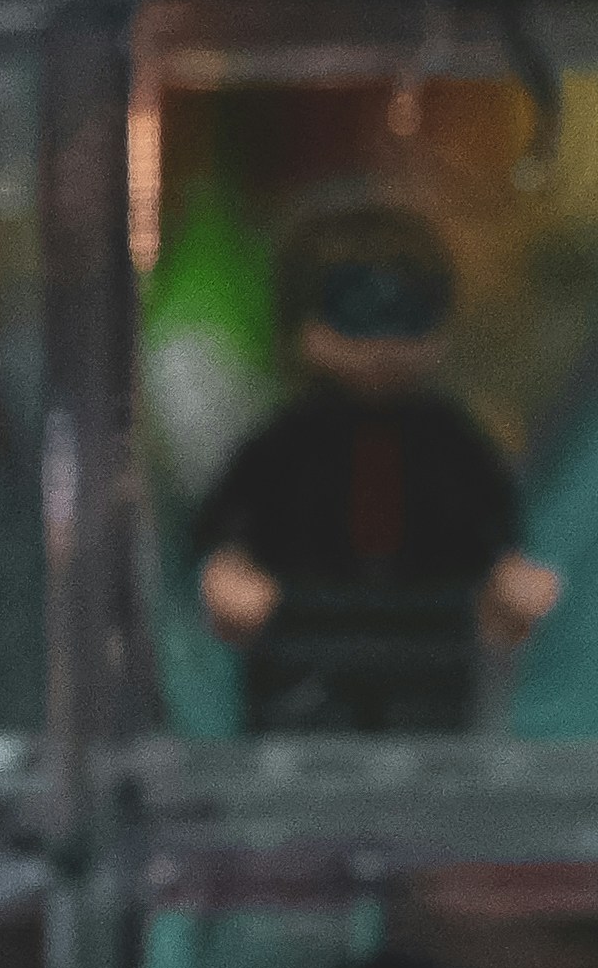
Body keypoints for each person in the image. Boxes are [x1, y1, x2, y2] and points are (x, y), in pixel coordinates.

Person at [188, 196, 558, 735]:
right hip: (306, 636)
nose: (383, 343)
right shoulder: (290, 440)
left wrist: (503, 575)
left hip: (430, 635)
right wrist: (227, 570)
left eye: (410, 314)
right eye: (355, 311)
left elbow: (488, 510)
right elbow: (232, 514)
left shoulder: (448, 439)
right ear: (304, 325)